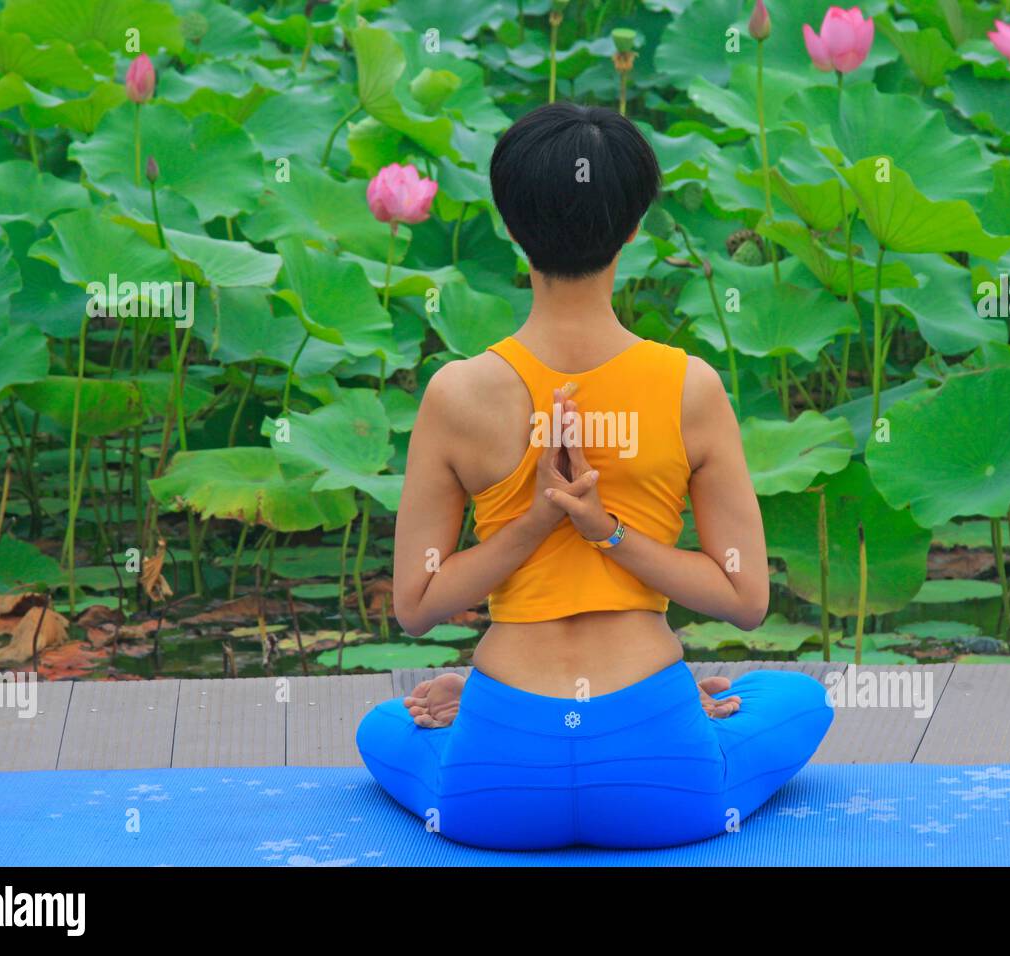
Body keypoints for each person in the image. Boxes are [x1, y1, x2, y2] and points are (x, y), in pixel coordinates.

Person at [357, 103, 833, 850]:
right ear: (634, 227)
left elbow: (415, 608)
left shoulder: (455, 394)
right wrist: (605, 531)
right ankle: (671, 698)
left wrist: (537, 519)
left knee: (384, 724)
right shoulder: (691, 388)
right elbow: (745, 600)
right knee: (796, 698)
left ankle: (482, 701)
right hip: (660, 778)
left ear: (512, 227)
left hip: (498, 788)